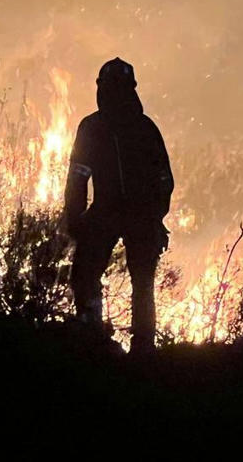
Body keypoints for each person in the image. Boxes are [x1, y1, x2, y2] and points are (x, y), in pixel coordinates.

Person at [63, 57, 174, 354]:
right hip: (109, 213)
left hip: (134, 216)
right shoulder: (95, 128)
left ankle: (140, 348)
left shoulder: (141, 129)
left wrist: (154, 217)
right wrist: (76, 220)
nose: (112, 95)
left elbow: (164, 180)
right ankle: (95, 334)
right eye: (108, 88)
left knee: (141, 284)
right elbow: (78, 177)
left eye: (117, 88)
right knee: (88, 274)